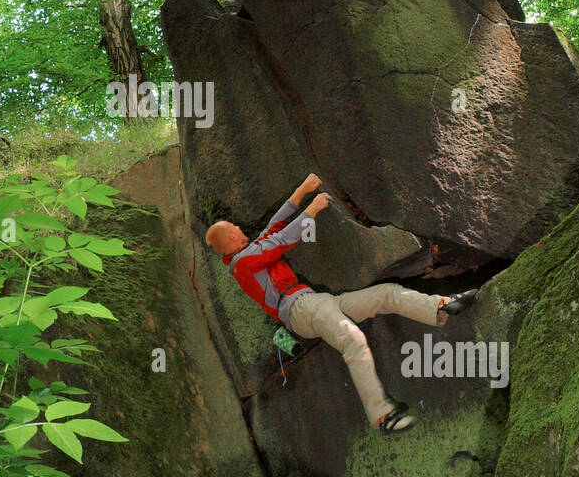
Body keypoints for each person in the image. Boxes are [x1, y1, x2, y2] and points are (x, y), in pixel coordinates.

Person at [204, 173, 477, 434]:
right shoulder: (243, 264)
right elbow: (282, 240)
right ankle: (381, 415)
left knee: (385, 294)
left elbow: (273, 226)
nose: (239, 228)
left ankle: (439, 306)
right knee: (352, 340)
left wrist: (302, 190)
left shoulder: (249, 251)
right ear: (230, 237)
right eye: (235, 228)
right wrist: (313, 208)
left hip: (316, 303)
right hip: (300, 309)